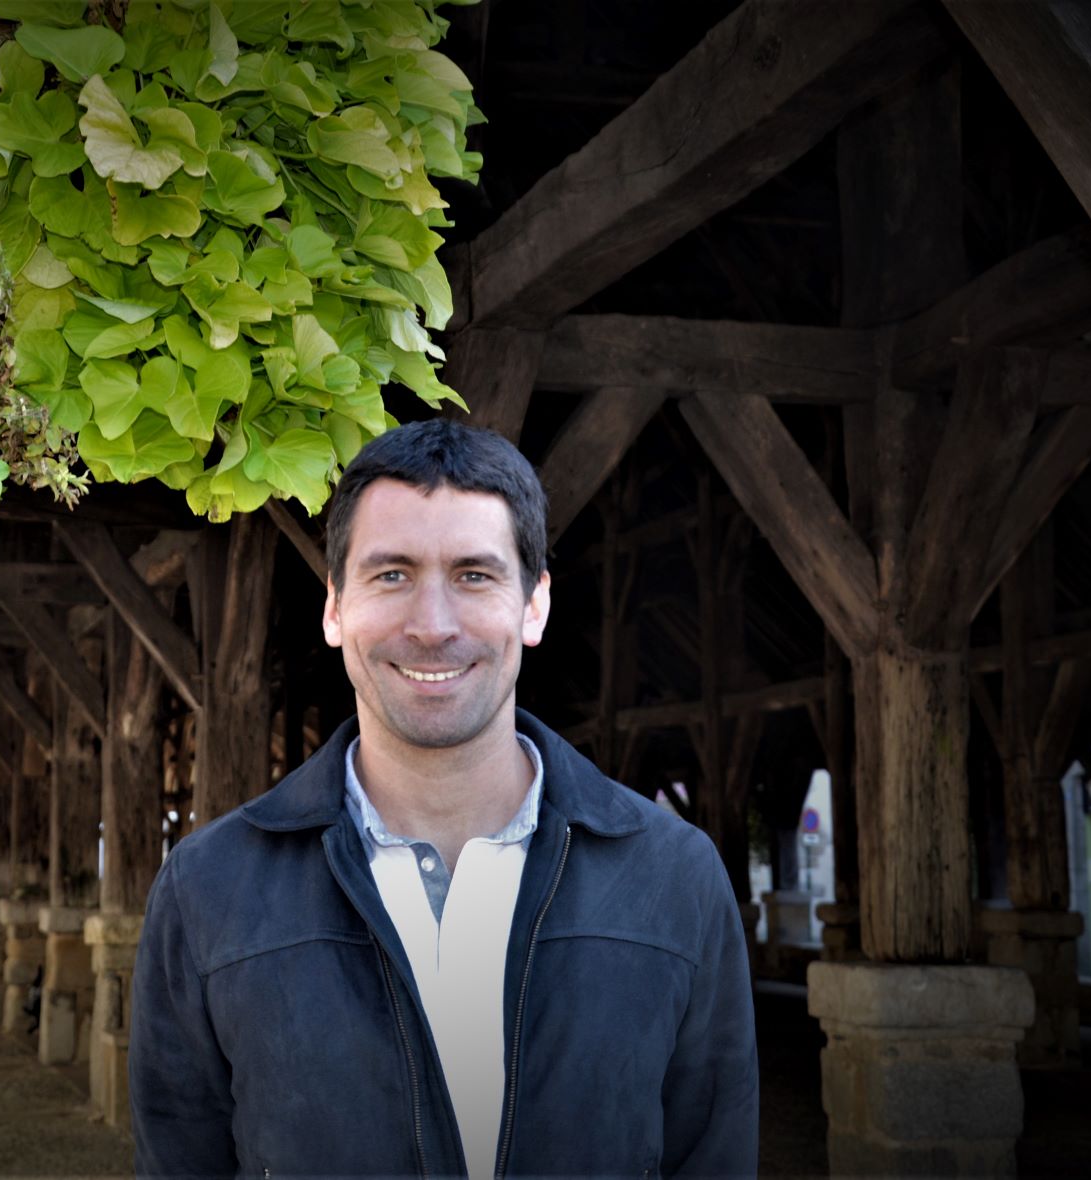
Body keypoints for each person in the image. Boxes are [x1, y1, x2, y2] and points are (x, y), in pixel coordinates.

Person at [130, 420, 758, 1179]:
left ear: (533, 606)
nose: (431, 626)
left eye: (474, 575)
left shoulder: (674, 879)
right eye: (390, 575)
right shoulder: (208, 890)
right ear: (334, 609)